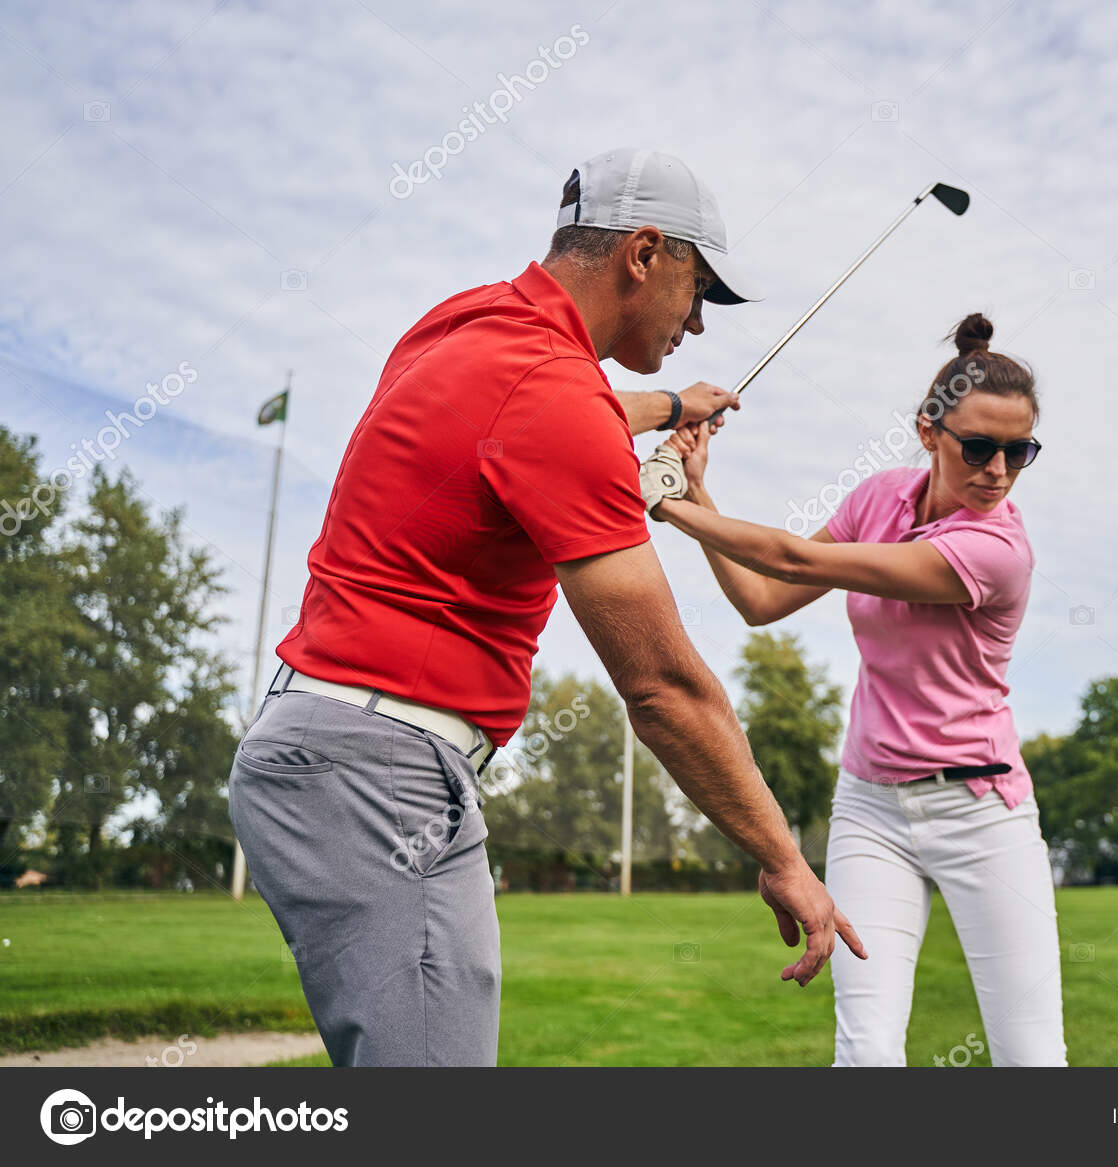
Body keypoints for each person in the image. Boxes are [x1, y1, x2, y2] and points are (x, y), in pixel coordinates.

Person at [229, 148, 864, 1068]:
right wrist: (782, 856)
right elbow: (663, 689)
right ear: (643, 252)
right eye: (701, 288)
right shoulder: (555, 396)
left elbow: (550, 407)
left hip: (357, 754)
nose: (698, 318)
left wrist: (669, 405)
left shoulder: (463, 324)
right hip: (378, 770)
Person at [650, 313, 1066, 1066]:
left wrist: (666, 504)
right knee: (865, 1054)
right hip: (871, 809)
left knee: (1030, 1058)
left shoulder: (997, 549)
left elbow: (797, 563)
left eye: (1019, 451)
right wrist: (699, 494)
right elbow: (762, 599)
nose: (998, 469)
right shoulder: (880, 497)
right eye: (979, 446)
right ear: (930, 431)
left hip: (981, 812)